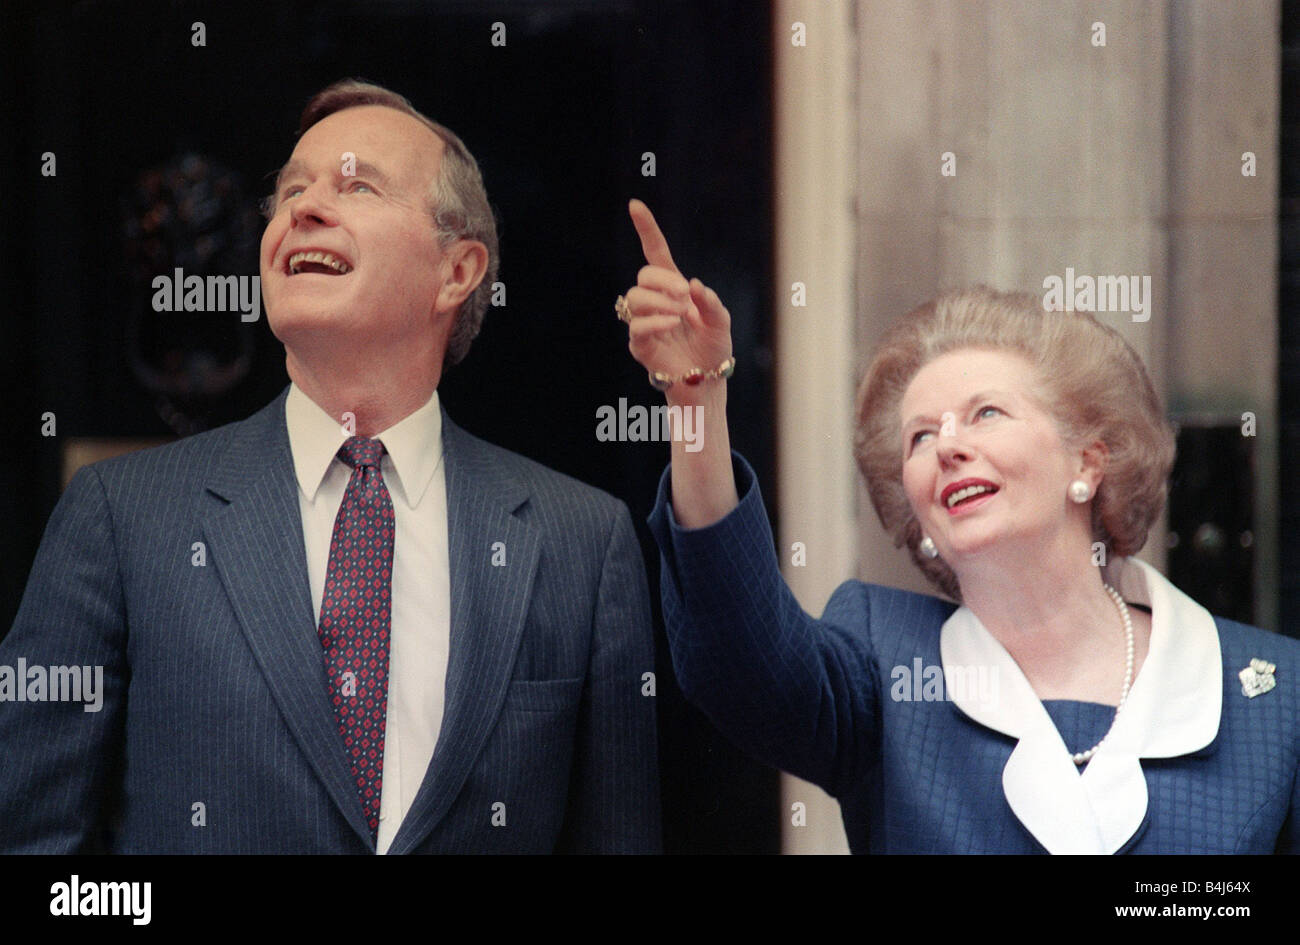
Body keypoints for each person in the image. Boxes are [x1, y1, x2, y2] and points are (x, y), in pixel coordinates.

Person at [0, 80, 660, 854]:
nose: (302, 211)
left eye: (356, 185)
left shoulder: (582, 541)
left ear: (458, 271)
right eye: (290, 193)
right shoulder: (122, 516)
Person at [619, 198, 1300, 854]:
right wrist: (696, 399)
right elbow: (737, 660)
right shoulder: (885, 656)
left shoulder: (1273, 694)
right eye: (920, 436)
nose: (946, 446)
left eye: (986, 414)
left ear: (1089, 461)